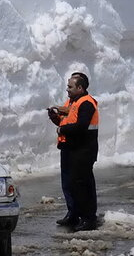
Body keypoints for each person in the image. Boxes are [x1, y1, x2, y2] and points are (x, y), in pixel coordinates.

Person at [47, 72, 99, 232]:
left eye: (70, 86)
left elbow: (81, 126)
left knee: (82, 184)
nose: (67, 89)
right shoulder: (72, 102)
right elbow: (67, 120)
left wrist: (62, 128)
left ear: (80, 87)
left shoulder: (87, 103)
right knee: (69, 184)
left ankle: (88, 218)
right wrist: (55, 118)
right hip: (70, 148)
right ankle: (74, 213)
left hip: (83, 150)